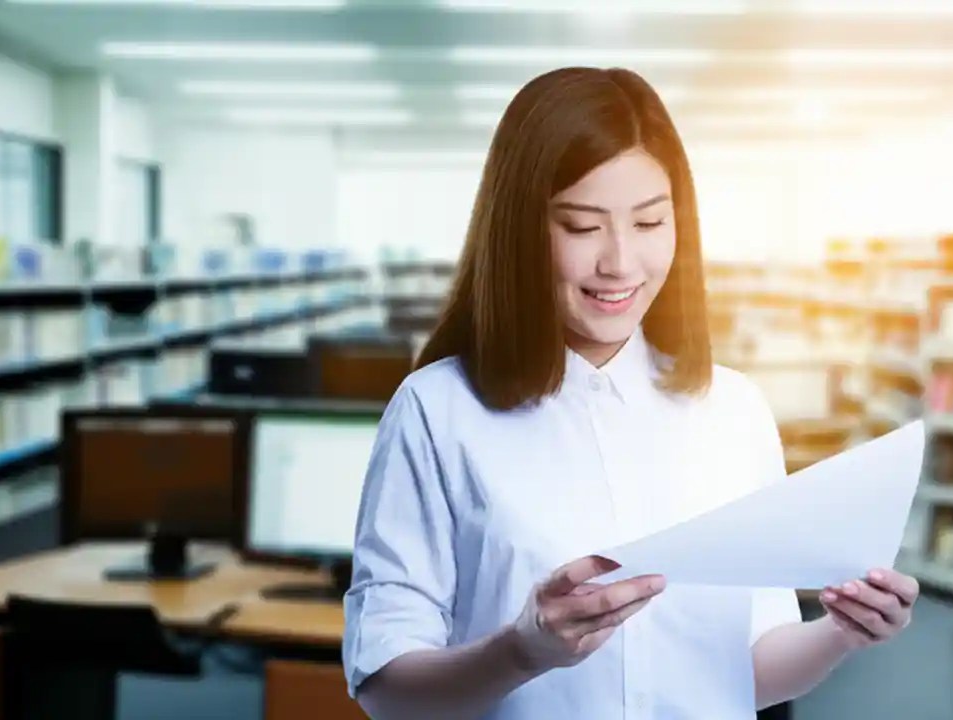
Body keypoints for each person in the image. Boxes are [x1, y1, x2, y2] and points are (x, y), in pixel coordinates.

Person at [342, 66, 920, 720]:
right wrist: (523, 651)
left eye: (649, 223)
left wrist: (841, 631)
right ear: (521, 230)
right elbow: (386, 691)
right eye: (583, 227)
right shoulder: (438, 411)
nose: (620, 262)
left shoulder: (731, 411)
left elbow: (747, 670)